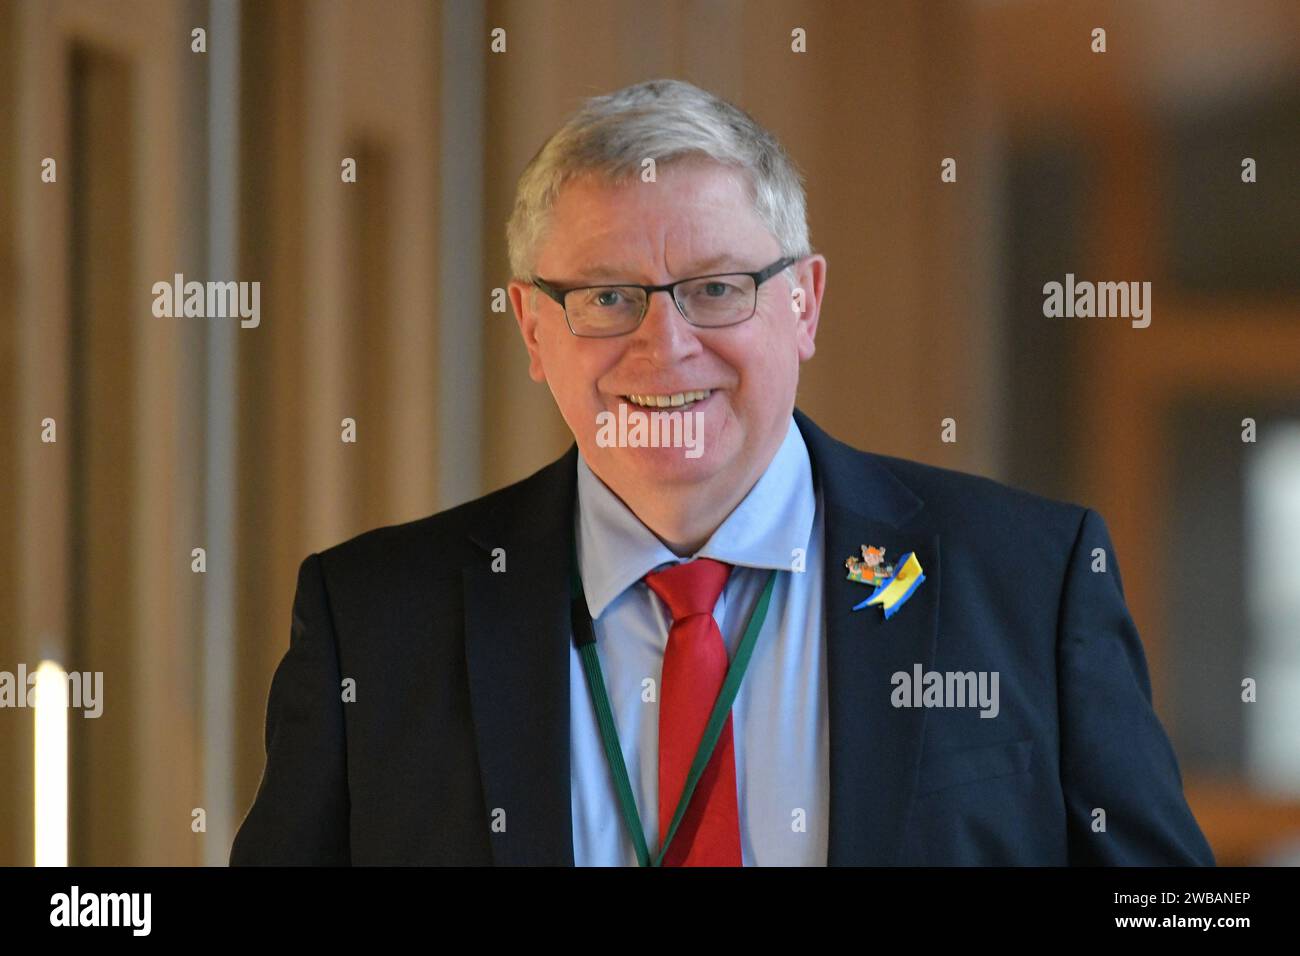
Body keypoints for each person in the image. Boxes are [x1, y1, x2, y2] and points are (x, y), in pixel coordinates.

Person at [230, 78, 1213, 866]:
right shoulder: (375, 618)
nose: (666, 347)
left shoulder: (1028, 581)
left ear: (805, 303)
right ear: (533, 327)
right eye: (609, 295)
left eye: (715, 289)